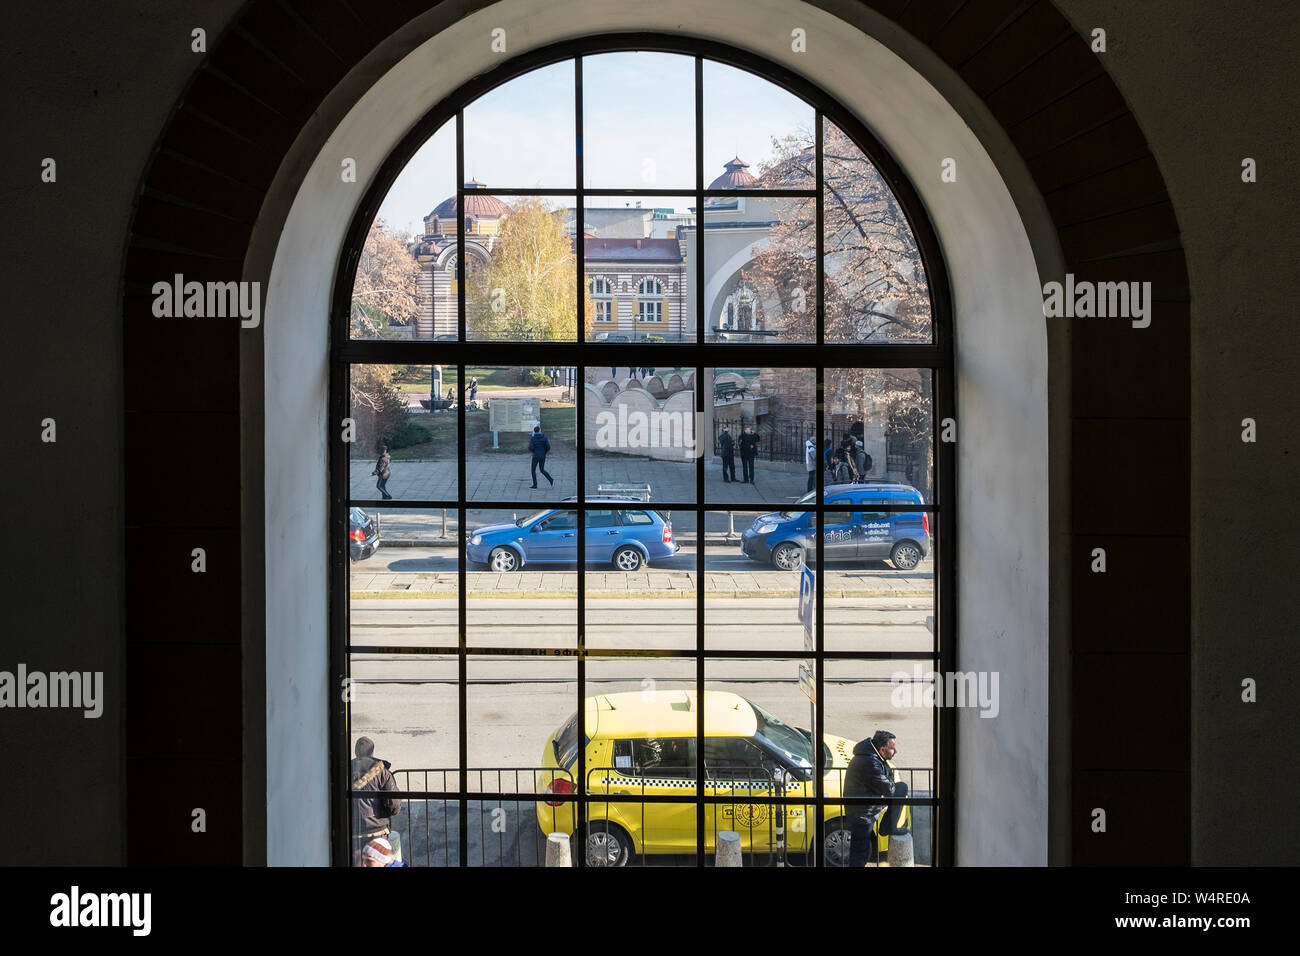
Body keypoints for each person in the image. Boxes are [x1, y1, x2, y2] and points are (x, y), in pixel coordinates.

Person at [843, 730, 908, 866]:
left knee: (901, 787)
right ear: (882, 749)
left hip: (863, 809)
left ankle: (887, 827)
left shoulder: (872, 757)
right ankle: (887, 827)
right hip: (862, 813)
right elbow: (889, 789)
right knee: (860, 852)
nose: (895, 751)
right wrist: (889, 780)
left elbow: (887, 783)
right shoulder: (870, 762)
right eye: (892, 748)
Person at [350, 736, 403, 866]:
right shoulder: (382, 772)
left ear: (356, 752)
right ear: (372, 752)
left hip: (353, 832)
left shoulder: (344, 770)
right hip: (377, 832)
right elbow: (394, 805)